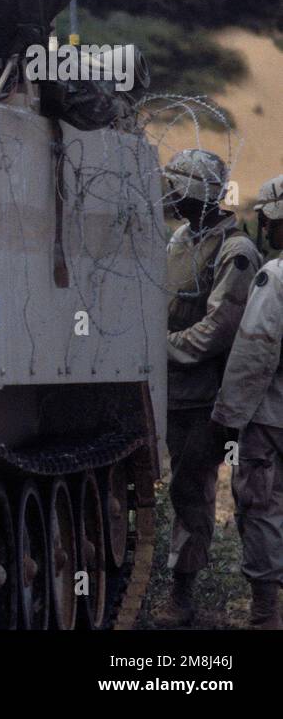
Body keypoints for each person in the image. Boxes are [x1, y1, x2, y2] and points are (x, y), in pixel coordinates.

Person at [157, 148, 262, 626]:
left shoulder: (234, 251)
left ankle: (183, 594)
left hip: (204, 397)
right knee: (178, 486)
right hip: (174, 392)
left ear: (194, 193)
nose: (170, 197)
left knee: (193, 490)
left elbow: (218, 328)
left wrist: (158, 348)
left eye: (177, 188)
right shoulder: (182, 237)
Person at [212, 174, 283, 629]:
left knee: (261, 509)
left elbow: (254, 351)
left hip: (270, 419)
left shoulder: (274, 277)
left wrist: (227, 416)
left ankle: (265, 614)